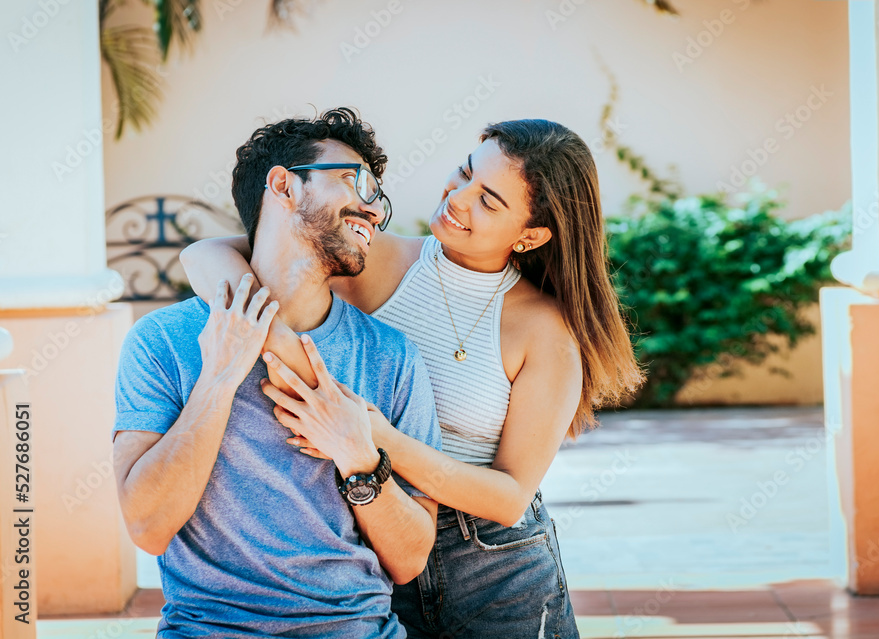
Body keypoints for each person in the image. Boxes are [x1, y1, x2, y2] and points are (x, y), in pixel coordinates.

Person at [181, 118, 644, 638]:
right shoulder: (375, 257)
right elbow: (204, 254)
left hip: (495, 566)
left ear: (531, 234)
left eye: (489, 201)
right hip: (379, 537)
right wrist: (267, 334)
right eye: (466, 172)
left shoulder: (546, 330)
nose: (459, 197)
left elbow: (510, 496)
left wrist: (374, 437)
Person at [113, 107, 442, 638]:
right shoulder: (163, 342)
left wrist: (358, 457)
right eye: (355, 180)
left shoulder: (391, 356)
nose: (374, 209)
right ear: (284, 185)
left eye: (379, 196)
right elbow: (148, 528)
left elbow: (410, 559)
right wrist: (219, 375)